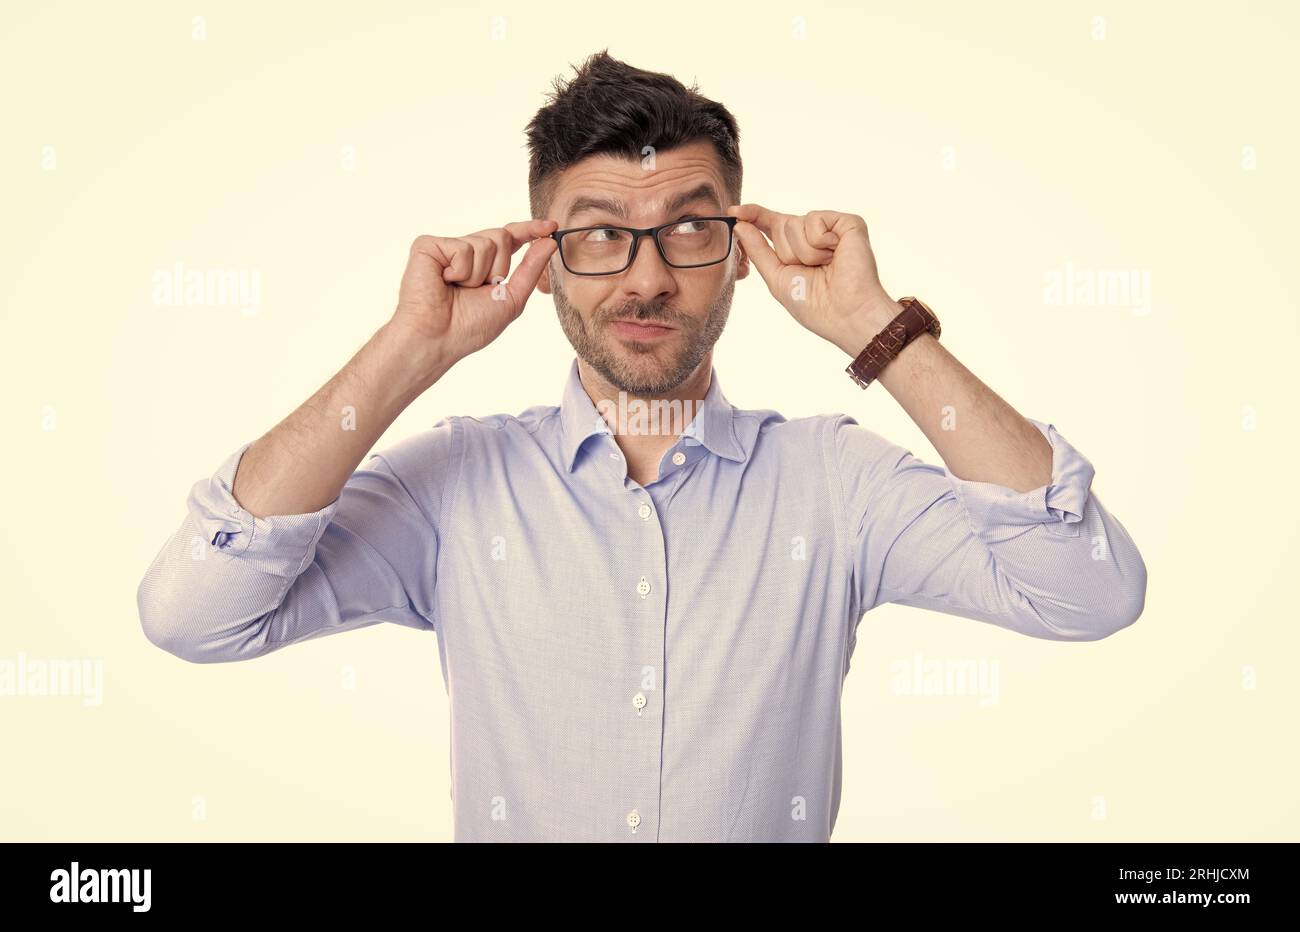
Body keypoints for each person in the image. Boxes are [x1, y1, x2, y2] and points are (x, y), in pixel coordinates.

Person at [137, 50, 1146, 842]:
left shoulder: (834, 484)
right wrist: (413, 348)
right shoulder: (454, 487)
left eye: (688, 230)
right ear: (544, 258)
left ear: (742, 255)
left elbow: (1089, 590)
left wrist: (872, 324)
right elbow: (193, 611)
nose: (647, 277)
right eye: (599, 233)